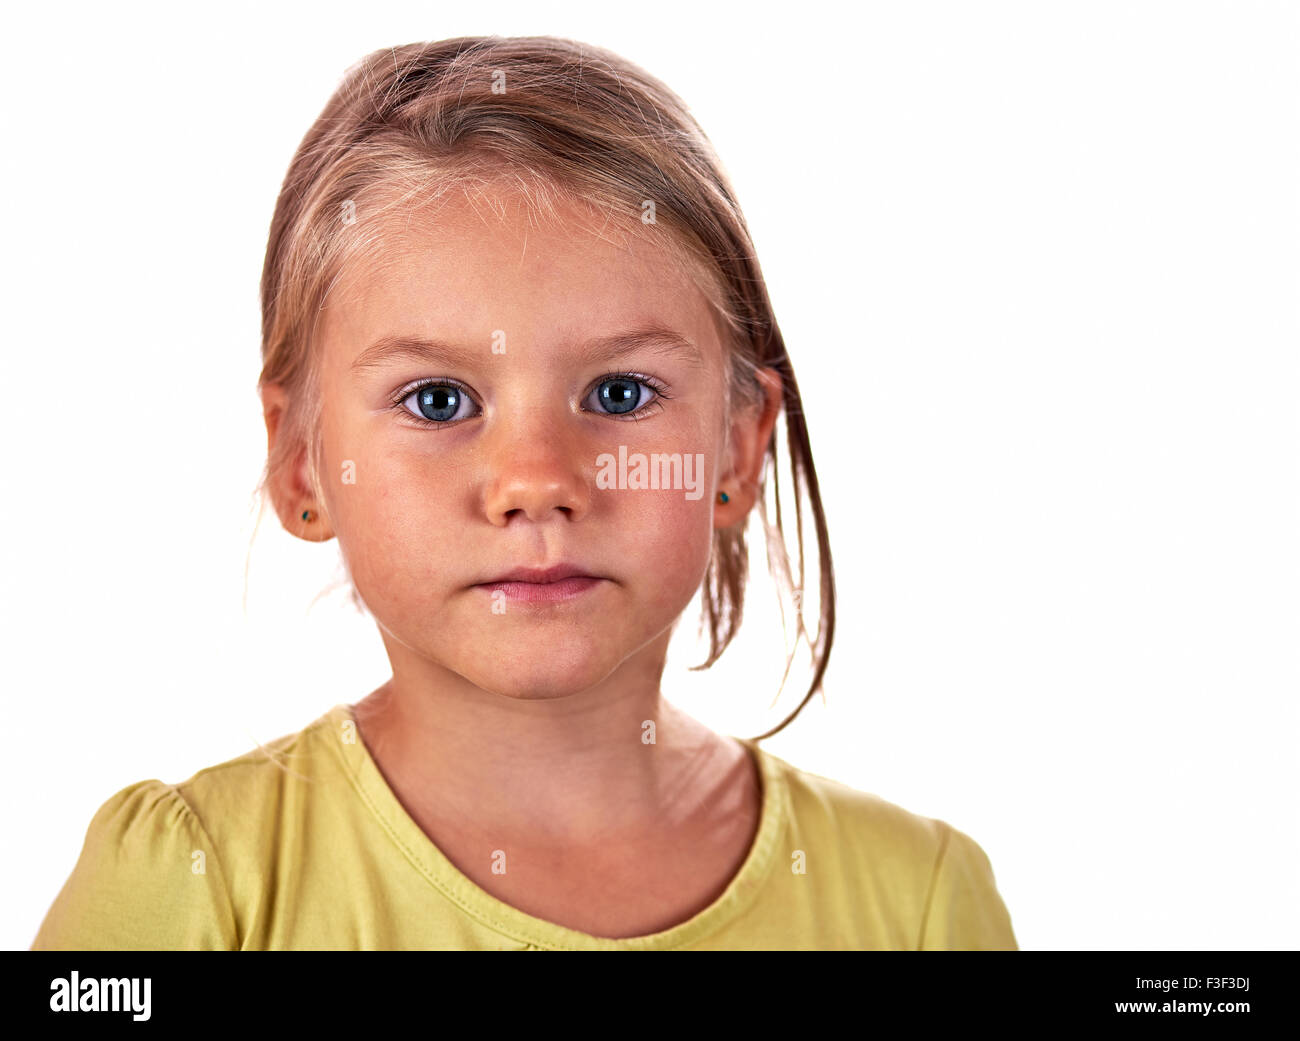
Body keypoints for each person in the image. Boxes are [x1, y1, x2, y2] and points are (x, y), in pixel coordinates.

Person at [31, 35, 1017, 950]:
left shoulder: (914, 905)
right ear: (302, 465)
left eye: (619, 393)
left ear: (735, 449)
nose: (538, 482)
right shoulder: (200, 890)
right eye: (438, 399)